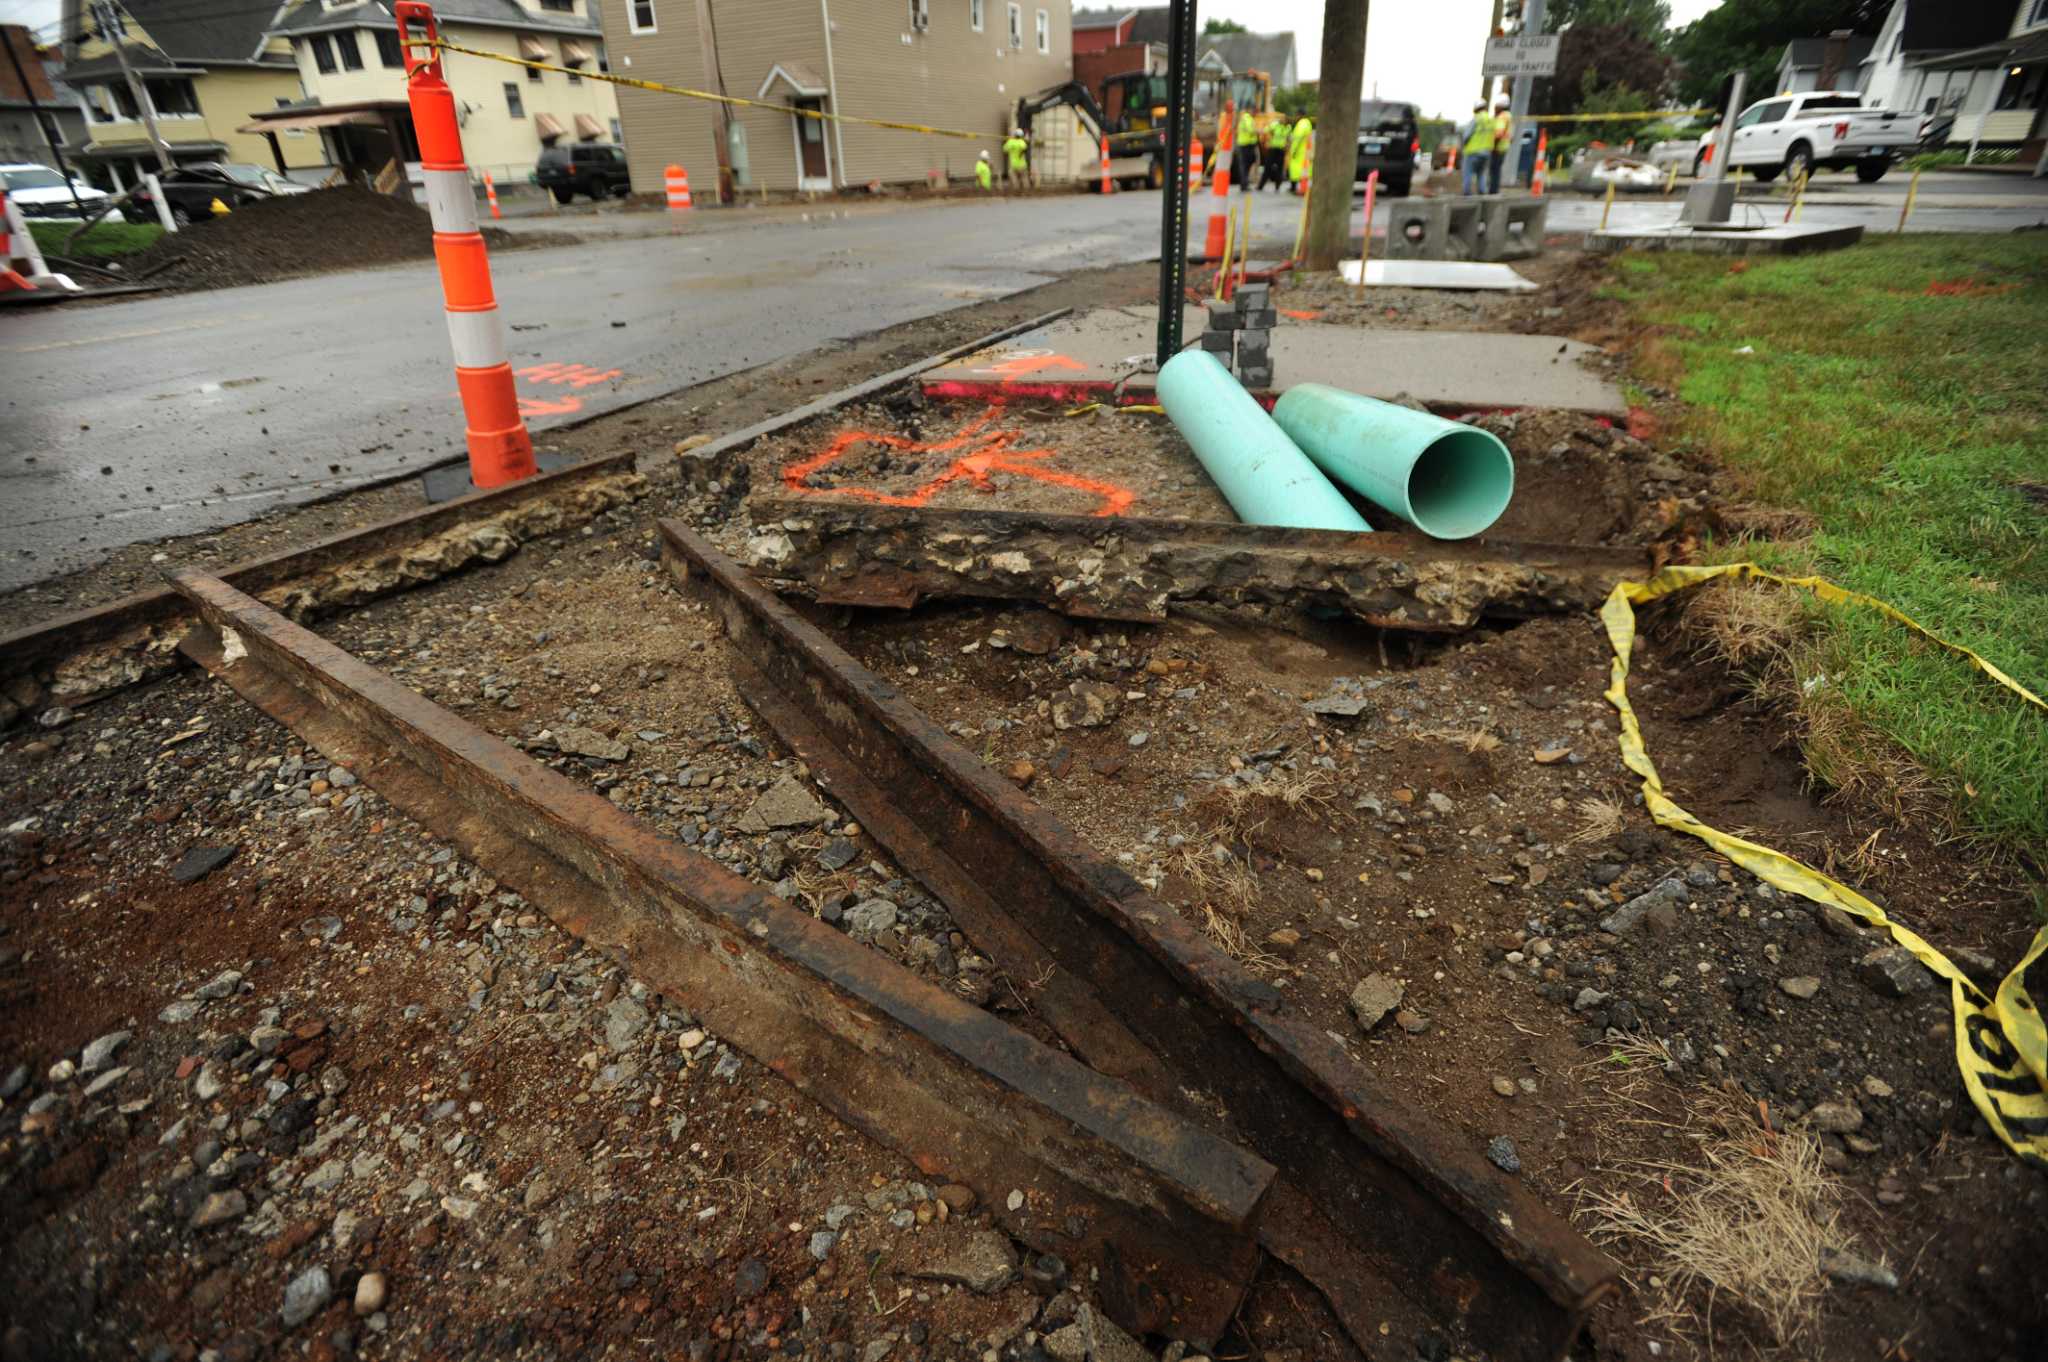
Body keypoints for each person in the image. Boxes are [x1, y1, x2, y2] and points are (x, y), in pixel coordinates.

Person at [1460, 101, 1491, 196]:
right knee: (1481, 173)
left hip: (1472, 151)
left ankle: (1467, 192)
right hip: (1486, 152)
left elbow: (1466, 135)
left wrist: (1463, 144)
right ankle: (1482, 191)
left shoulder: (1476, 119)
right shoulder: (1491, 120)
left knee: (1467, 172)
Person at [1488, 97, 1512, 194]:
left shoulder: (1501, 117)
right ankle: (1494, 190)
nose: (1495, 108)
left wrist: (1494, 147)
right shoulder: (1509, 115)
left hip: (1498, 148)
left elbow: (1499, 134)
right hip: (1504, 147)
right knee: (1496, 170)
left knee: (1494, 171)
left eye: (1496, 106)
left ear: (1501, 106)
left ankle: (1493, 191)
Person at [1260, 113, 1289, 190]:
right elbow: (1265, 131)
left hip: (1281, 150)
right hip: (1272, 149)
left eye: (1284, 119)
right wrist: (1267, 141)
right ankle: (1261, 185)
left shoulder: (1287, 127)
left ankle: (1277, 186)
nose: (1283, 120)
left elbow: (1288, 138)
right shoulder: (1274, 125)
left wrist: (1287, 146)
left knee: (1280, 168)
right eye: (1281, 118)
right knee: (1268, 167)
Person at [1285, 114, 1313, 195]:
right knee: (1303, 172)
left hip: (1300, 153)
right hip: (1304, 152)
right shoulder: (1307, 123)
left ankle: (1297, 188)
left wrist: (1294, 150)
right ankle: (1298, 188)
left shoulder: (1302, 124)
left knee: (1296, 171)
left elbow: (1299, 138)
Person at [1234, 103, 1259, 188]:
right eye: (1255, 111)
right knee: (1245, 165)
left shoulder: (1249, 118)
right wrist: (1258, 131)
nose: (1256, 113)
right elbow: (1250, 130)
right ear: (1251, 110)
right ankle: (1244, 184)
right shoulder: (1247, 118)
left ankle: (1244, 182)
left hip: (1248, 145)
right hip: (1245, 145)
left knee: (1247, 163)